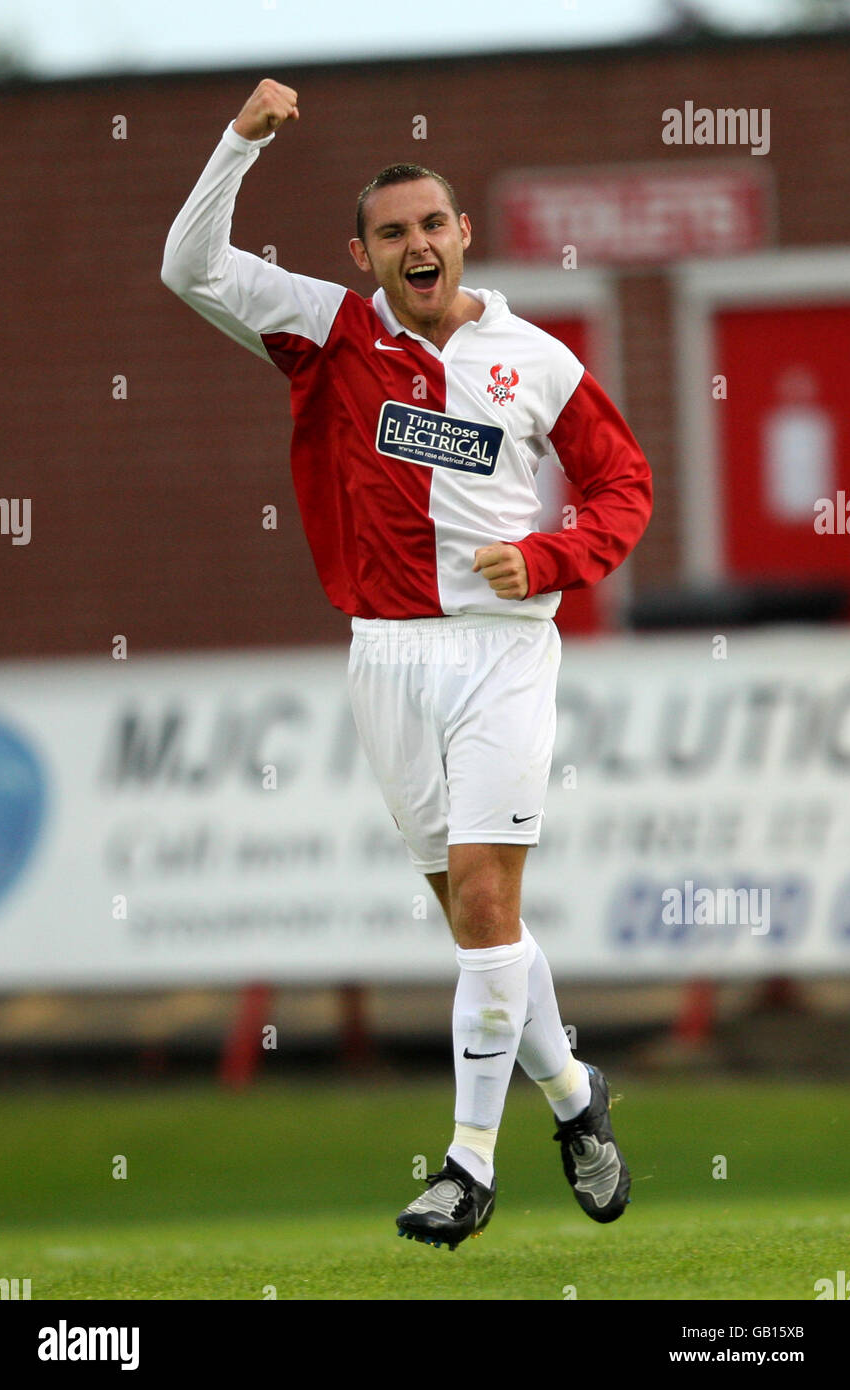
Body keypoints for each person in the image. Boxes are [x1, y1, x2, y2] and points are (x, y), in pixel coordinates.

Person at [161, 78, 653, 1252]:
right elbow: (186, 266)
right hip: (384, 659)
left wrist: (549, 555)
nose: (415, 245)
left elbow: (622, 483)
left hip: (502, 655)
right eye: (392, 233)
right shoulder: (325, 330)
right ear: (363, 254)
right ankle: (577, 1103)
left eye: (431, 224)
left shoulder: (529, 357)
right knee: (481, 933)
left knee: (487, 903)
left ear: (461, 233)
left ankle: (467, 1167)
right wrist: (238, 142)